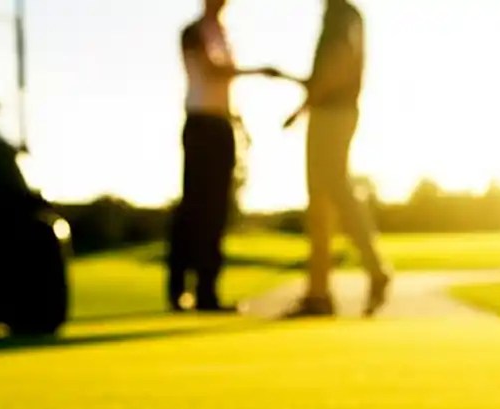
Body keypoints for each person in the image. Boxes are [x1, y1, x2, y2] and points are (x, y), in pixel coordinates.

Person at [281, 0, 391, 318]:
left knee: (330, 192)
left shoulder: (340, 14)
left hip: (331, 113)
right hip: (337, 110)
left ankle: (369, 272)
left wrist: (307, 101)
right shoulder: (346, 14)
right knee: (325, 199)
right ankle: (320, 292)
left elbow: (337, 62)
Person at [167, 0, 277, 313]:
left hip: (222, 124)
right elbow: (213, 70)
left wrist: (239, 123)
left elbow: (224, 84)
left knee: (217, 210)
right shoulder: (193, 31)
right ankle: (177, 288)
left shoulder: (223, 33)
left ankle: (207, 292)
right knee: (194, 207)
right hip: (200, 124)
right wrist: (258, 71)